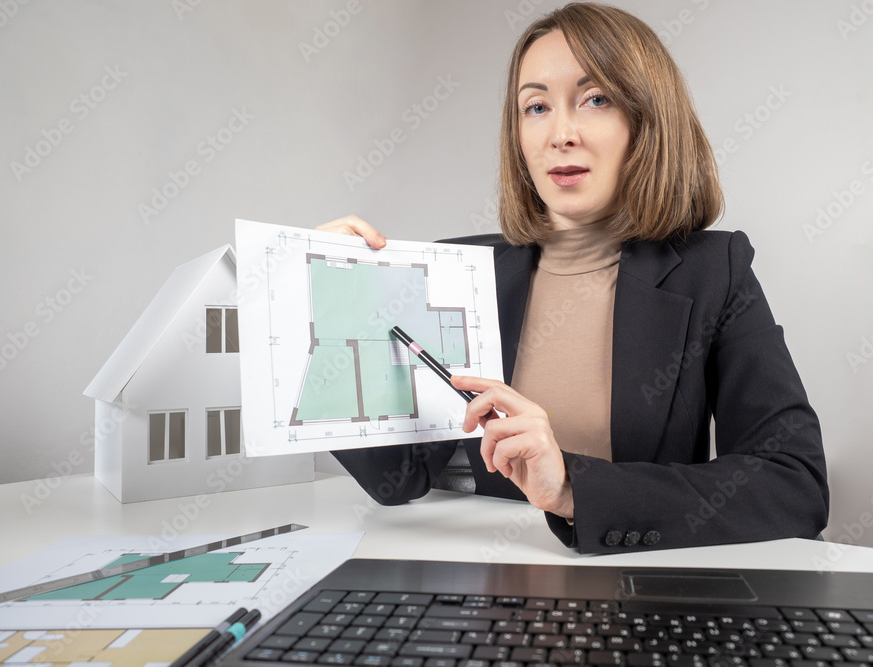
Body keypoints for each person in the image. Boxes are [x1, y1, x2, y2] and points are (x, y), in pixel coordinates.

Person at [321, 2, 829, 554]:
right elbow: (395, 478)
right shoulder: (457, 272)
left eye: (596, 99)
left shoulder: (714, 271)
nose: (560, 134)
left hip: (640, 584)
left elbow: (793, 487)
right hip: (489, 572)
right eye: (536, 107)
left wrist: (570, 489)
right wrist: (329, 305)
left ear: (646, 122)